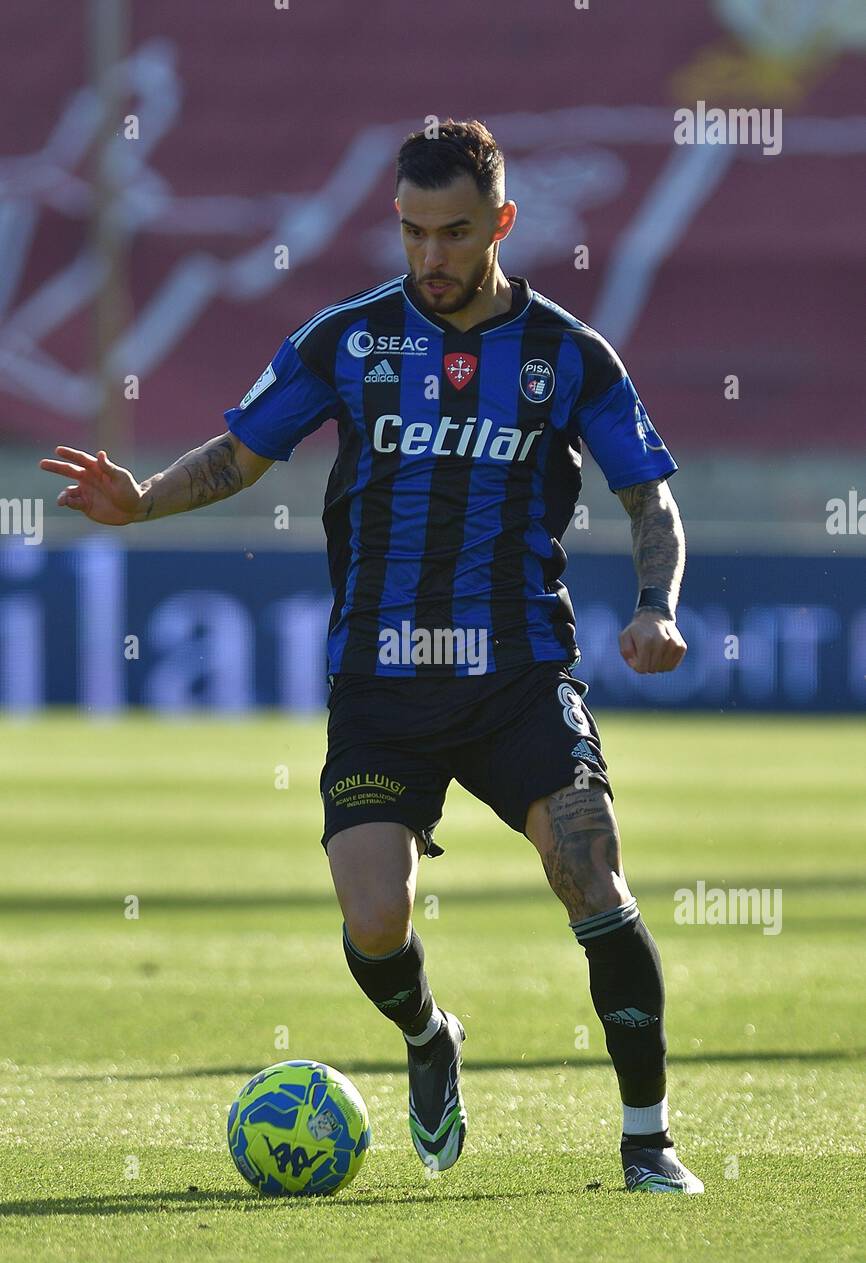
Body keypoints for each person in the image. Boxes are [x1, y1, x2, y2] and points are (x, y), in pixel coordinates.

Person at [40, 118, 703, 1194]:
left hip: (517, 674)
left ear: (500, 223)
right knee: (373, 919)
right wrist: (145, 500)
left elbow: (649, 496)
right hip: (381, 682)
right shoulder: (347, 339)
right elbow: (242, 452)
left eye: (450, 234)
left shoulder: (568, 357)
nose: (428, 258)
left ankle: (647, 1141)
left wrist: (654, 605)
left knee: (588, 868)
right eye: (409, 232)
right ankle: (427, 1034)